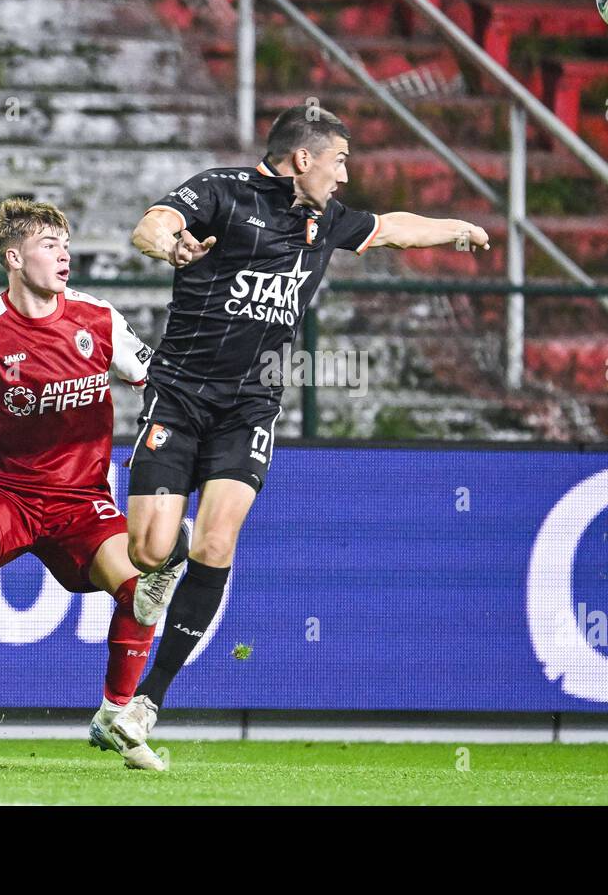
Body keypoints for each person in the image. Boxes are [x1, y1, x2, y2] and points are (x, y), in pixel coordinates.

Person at [109, 105, 490, 751]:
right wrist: (170, 245)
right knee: (147, 549)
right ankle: (162, 564)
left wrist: (457, 228)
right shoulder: (222, 192)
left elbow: (393, 229)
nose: (344, 177)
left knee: (219, 541)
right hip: (177, 397)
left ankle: (146, 703)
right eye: (339, 161)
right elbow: (152, 223)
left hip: (249, 406)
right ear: (303, 158)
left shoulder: (327, 220)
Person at [0, 197, 182, 771]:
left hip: (83, 502)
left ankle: (114, 714)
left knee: (145, 593)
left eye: (66, 244)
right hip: (3, 494)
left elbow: (155, 380)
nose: (65, 256)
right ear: (14, 257)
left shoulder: (99, 318)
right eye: (49, 246)